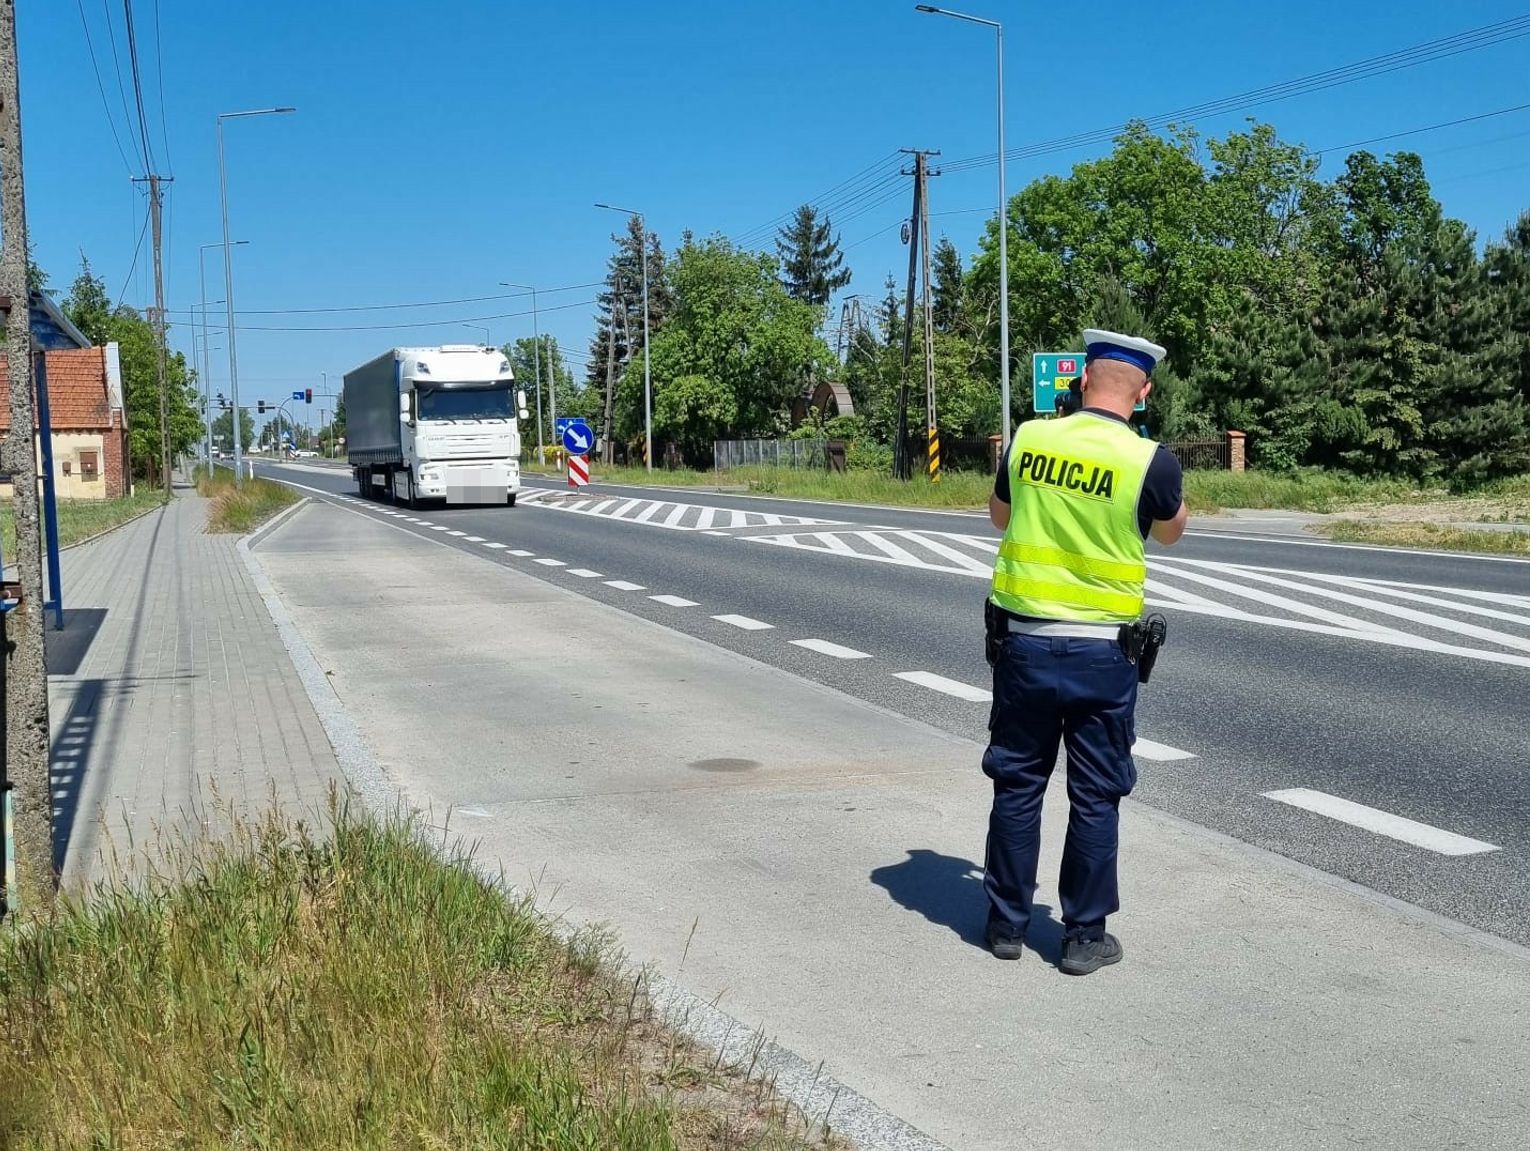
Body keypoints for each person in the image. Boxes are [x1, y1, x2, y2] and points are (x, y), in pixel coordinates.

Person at [983, 329, 1188, 975]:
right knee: (1096, 794)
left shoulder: (1029, 439)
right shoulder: (1150, 459)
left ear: (1080, 381)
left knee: (1019, 783)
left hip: (1025, 644)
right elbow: (1172, 532)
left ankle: (1004, 926)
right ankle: (1082, 937)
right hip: (1104, 654)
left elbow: (997, 516)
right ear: (1144, 391)